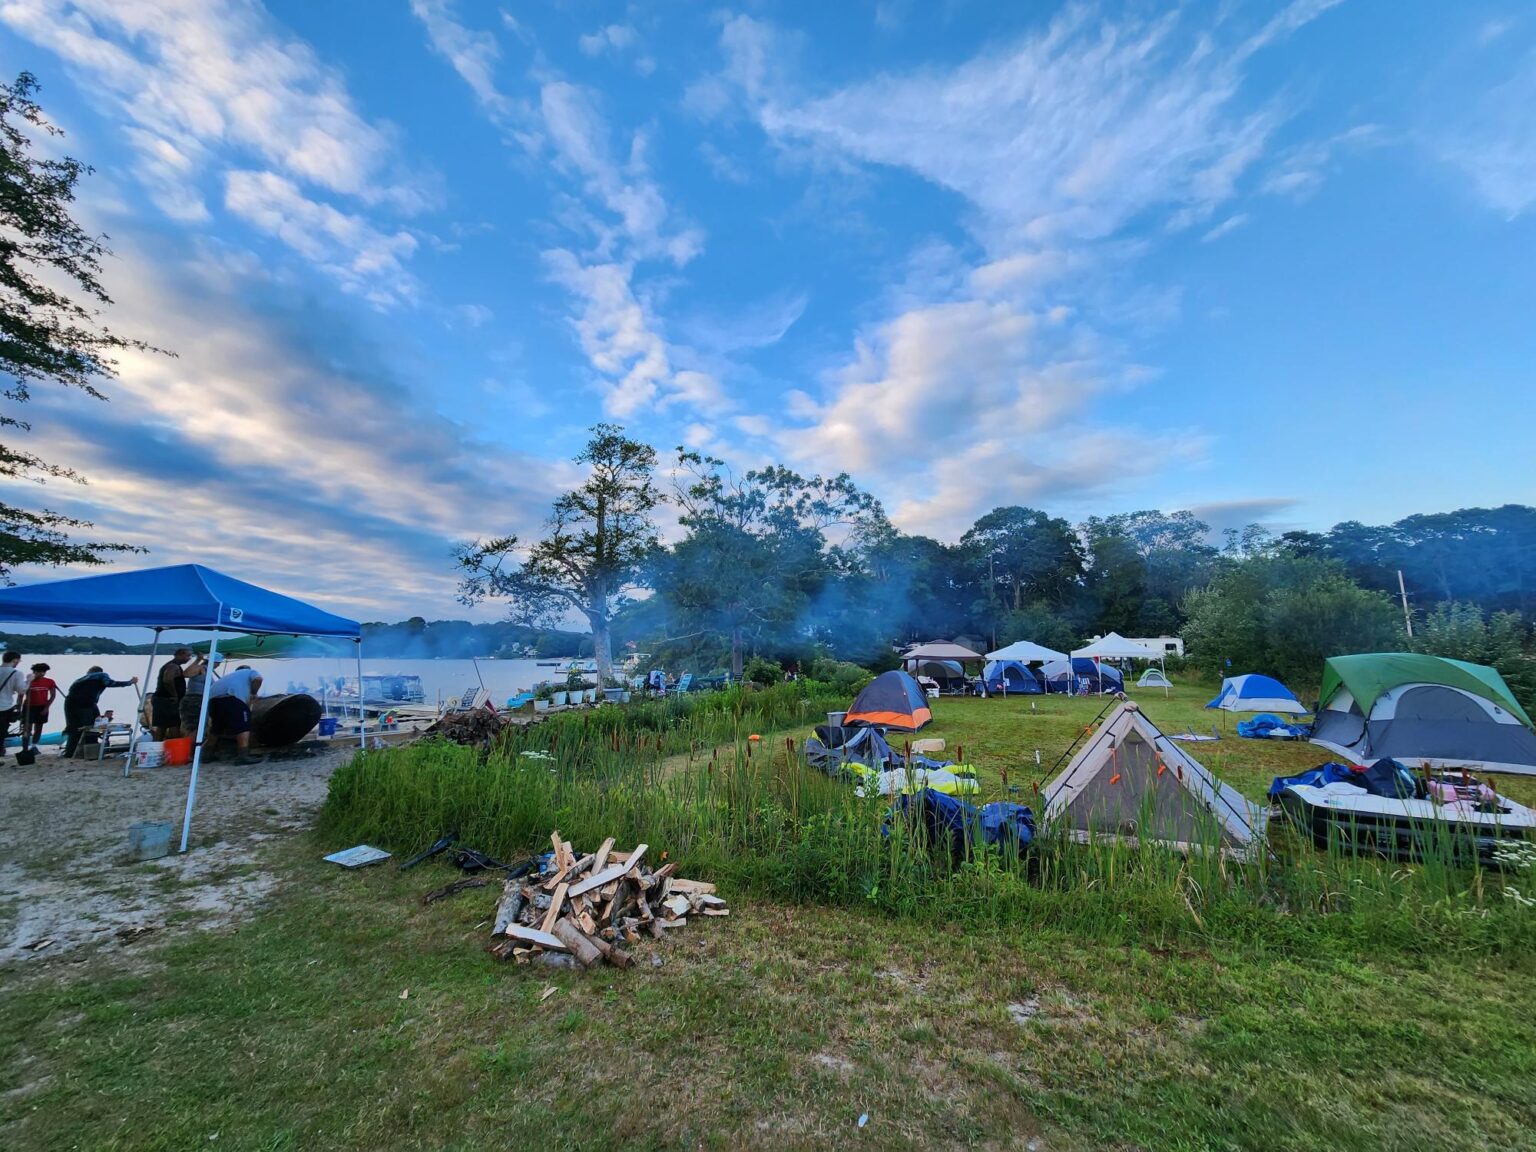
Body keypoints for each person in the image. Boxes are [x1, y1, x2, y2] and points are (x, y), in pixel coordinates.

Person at [62, 666, 138, 758]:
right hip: (85, 703)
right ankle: (92, 751)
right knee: (92, 727)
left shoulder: (80, 679)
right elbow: (110, 683)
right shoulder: (101, 675)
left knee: (73, 727)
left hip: (69, 703)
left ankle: (70, 752)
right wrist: (129, 682)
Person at [208, 664, 263, 764]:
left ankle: (206, 754)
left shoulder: (229, 677)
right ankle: (243, 756)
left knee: (217, 727)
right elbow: (258, 679)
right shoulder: (250, 672)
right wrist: (254, 693)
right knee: (243, 726)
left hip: (213, 700)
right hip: (231, 698)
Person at [151, 647, 199, 740]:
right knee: (174, 725)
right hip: (167, 700)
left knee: (162, 726)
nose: (189, 658)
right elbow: (167, 680)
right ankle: (175, 747)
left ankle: (157, 746)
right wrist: (174, 695)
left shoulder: (173, 665)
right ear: (180, 654)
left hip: (161, 699)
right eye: (188, 655)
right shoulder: (173, 666)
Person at [180, 656, 220, 738]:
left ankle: (191, 747)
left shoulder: (207, 670)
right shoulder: (201, 668)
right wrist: (198, 660)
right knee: (195, 727)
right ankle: (191, 748)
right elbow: (185, 674)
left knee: (196, 727)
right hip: (195, 700)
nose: (218, 665)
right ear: (214, 662)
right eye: (218, 663)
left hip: (199, 700)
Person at [21, 663, 58, 750]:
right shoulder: (28, 682)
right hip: (28, 707)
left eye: (43, 672)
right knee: (27, 728)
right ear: (34, 672)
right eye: (39, 672)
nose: (41, 674)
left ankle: (34, 746)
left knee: (38, 728)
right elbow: (21, 695)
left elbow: (53, 695)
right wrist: (19, 707)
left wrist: (46, 708)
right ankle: (25, 748)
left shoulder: (50, 682)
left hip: (42, 707)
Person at [0, 650, 22, 753]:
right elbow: (21, 690)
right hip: (4, 707)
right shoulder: (16, 673)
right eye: (18, 661)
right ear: (15, 660)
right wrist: (29, 680)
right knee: (1, 732)